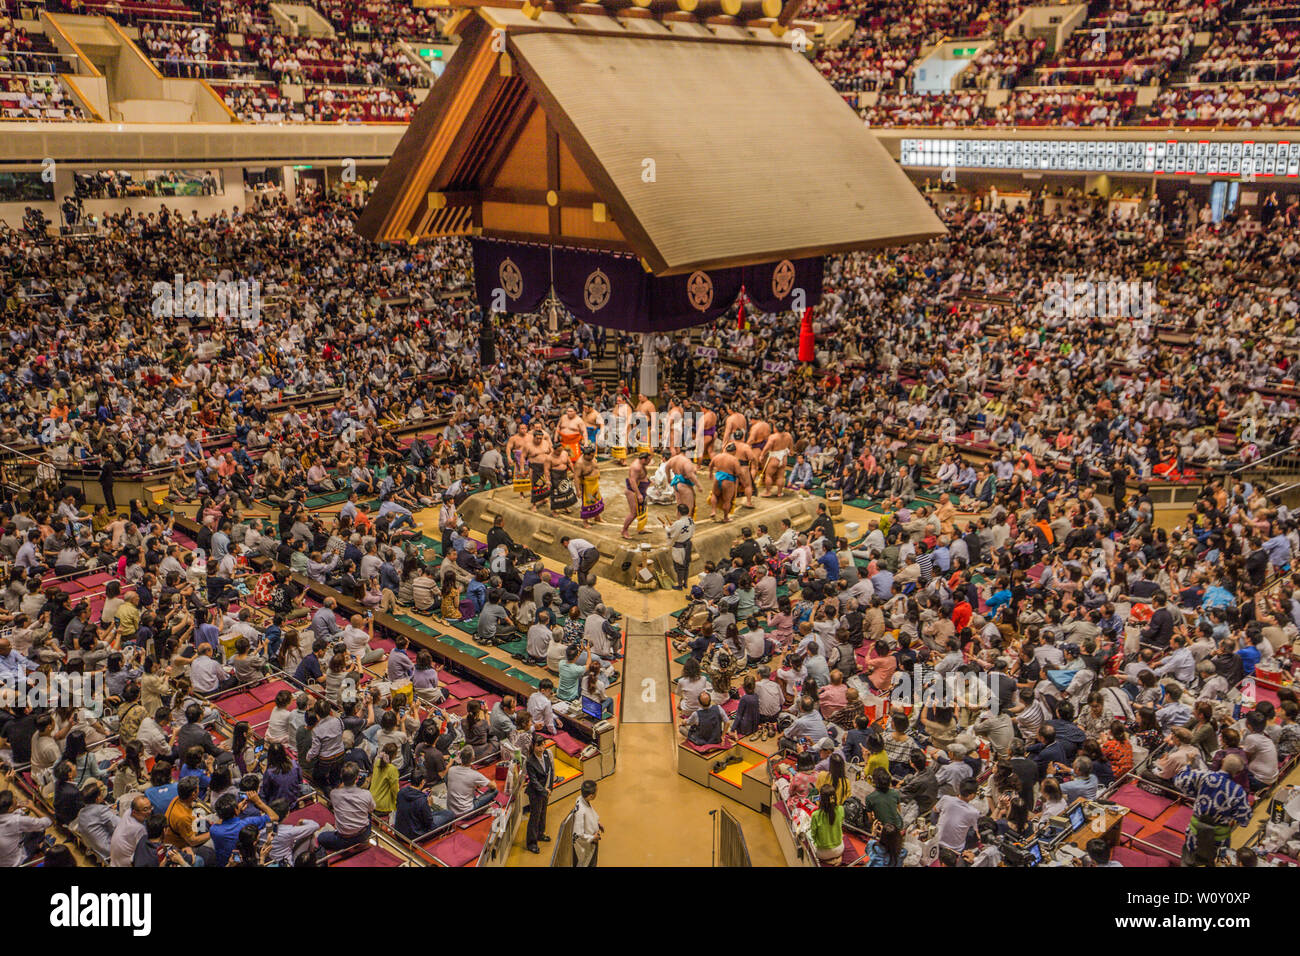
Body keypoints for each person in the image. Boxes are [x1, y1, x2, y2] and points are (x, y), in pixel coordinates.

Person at [525, 734, 555, 854]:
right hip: (536, 792)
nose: (542, 748)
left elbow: (551, 771)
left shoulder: (547, 754)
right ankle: (531, 843)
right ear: (533, 746)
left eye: (543, 745)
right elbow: (534, 781)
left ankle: (540, 834)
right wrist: (544, 791)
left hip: (546, 790)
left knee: (543, 813)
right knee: (535, 817)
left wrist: (550, 788)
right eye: (539, 746)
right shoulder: (530, 761)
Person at [809, 784, 845, 864]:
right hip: (839, 849)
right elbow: (840, 825)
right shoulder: (841, 809)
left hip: (822, 854)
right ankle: (837, 858)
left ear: (821, 799)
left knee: (808, 837)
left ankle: (829, 861)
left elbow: (813, 835)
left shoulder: (816, 815)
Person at [572, 779, 602, 867]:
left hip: (592, 838)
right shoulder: (581, 811)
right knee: (588, 863)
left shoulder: (581, 798)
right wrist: (593, 837)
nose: (597, 793)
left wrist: (597, 823)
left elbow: (590, 815)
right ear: (591, 796)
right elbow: (578, 834)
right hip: (587, 844)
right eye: (596, 792)